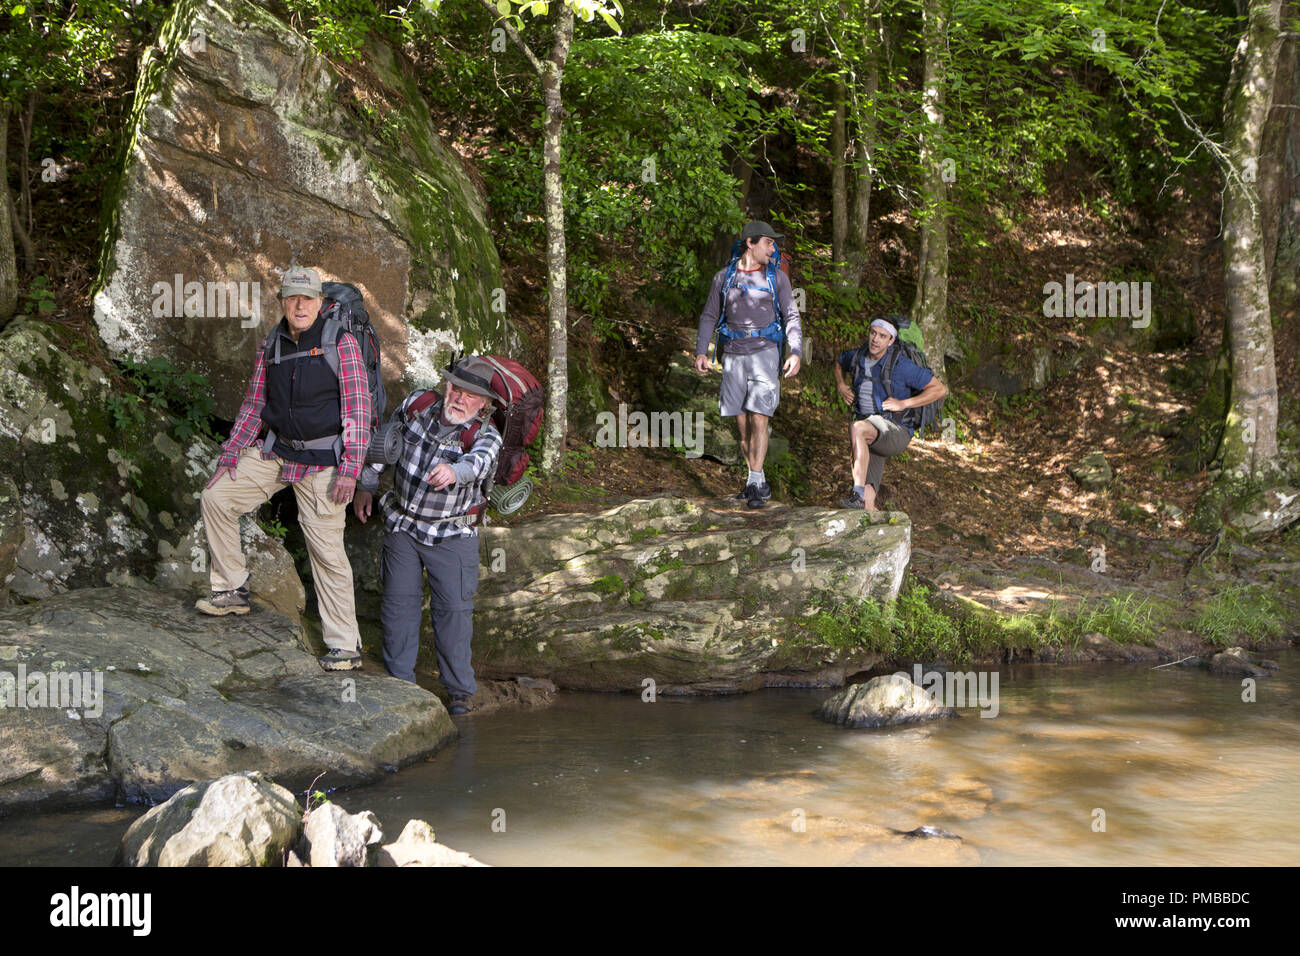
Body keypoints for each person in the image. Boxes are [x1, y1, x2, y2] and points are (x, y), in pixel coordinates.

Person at [197, 266, 370, 672]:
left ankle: (344, 646)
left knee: (326, 552)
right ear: (282, 302)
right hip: (278, 454)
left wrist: (350, 468)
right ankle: (232, 589)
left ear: (321, 303)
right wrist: (230, 454)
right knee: (216, 497)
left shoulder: (340, 343)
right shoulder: (271, 343)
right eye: (292, 298)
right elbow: (255, 404)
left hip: (325, 462)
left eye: (307, 298)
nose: (299, 305)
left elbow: (359, 410)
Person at [353, 357, 503, 717]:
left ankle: (460, 693)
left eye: (470, 395)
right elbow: (383, 446)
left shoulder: (485, 435)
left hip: (452, 533)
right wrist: (366, 486)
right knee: (398, 605)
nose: (458, 398)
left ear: (483, 404)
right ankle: (400, 682)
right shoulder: (418, 404)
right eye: (455, 388)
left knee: (453, 612)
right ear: (445, 385)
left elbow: (478, 464)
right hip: (403, 525)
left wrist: (454, 471)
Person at [694, 220, 802, 508]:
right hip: (733, 355)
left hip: (765, 353)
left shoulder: (777, 278)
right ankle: (757, 479)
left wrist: (795, 351)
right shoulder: (724, 277)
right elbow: (708, 315)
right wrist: (701, 351)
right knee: (742, 426)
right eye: (768, 242)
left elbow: (791, 316)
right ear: (750, 243)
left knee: (759, 416)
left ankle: (754, 481)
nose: (773, 247)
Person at [834, 316, 947, 510]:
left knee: (857, 427)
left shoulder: (901, 366)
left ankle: (857, 494)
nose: (876, 339)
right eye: (873, 333)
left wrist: (904, 403)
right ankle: (873, 523)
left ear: (891, 341)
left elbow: (939, 389)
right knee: (868, 503)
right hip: (872, 434)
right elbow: (838, 363)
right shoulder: (857, 356)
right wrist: (841, 385)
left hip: (896, 431)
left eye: (882, 336)